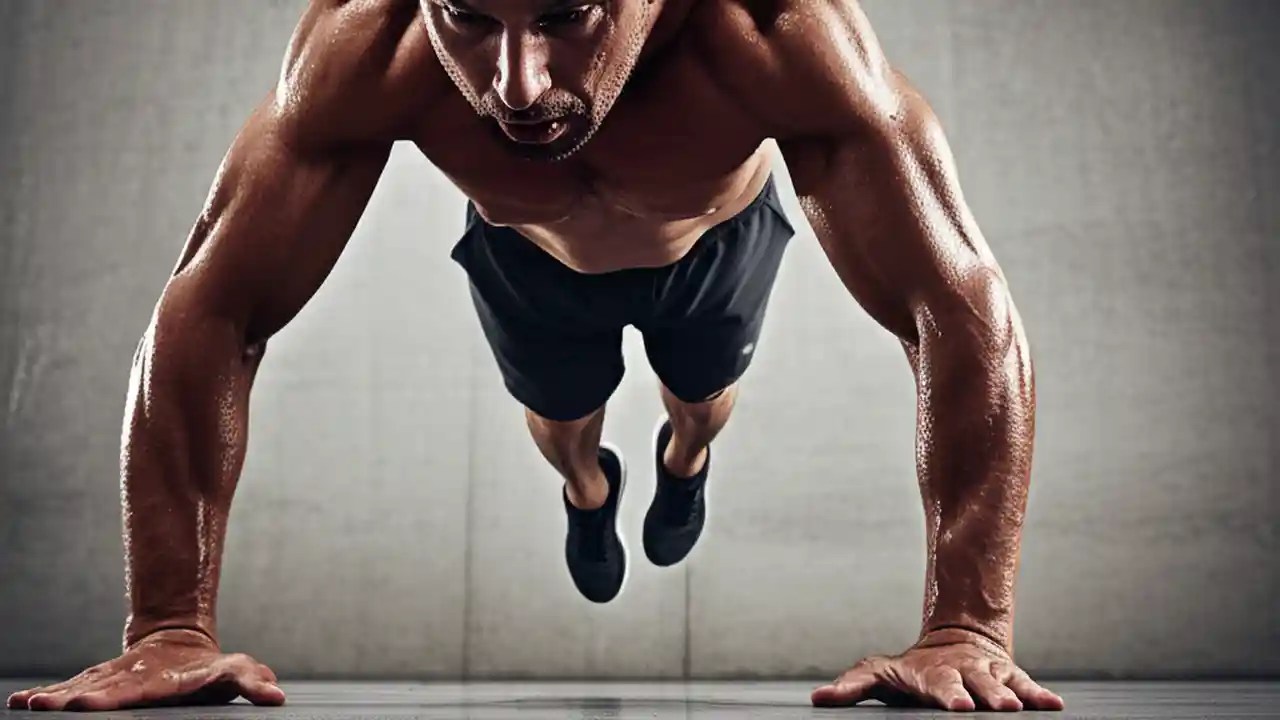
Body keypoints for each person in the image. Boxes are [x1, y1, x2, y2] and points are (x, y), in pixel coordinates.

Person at [6, 0, 1066, 713]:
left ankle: (683, 460)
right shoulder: (368, 45)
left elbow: (956, 301)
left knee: (701, 403)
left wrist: (965, 628)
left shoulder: (771, 37)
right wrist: (170, 626)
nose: (513, 85)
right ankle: (588, 487)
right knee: (564, 435)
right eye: (468, 15)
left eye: (566, 15)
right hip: (526, 260)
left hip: (711, 247)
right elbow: (213, 305)